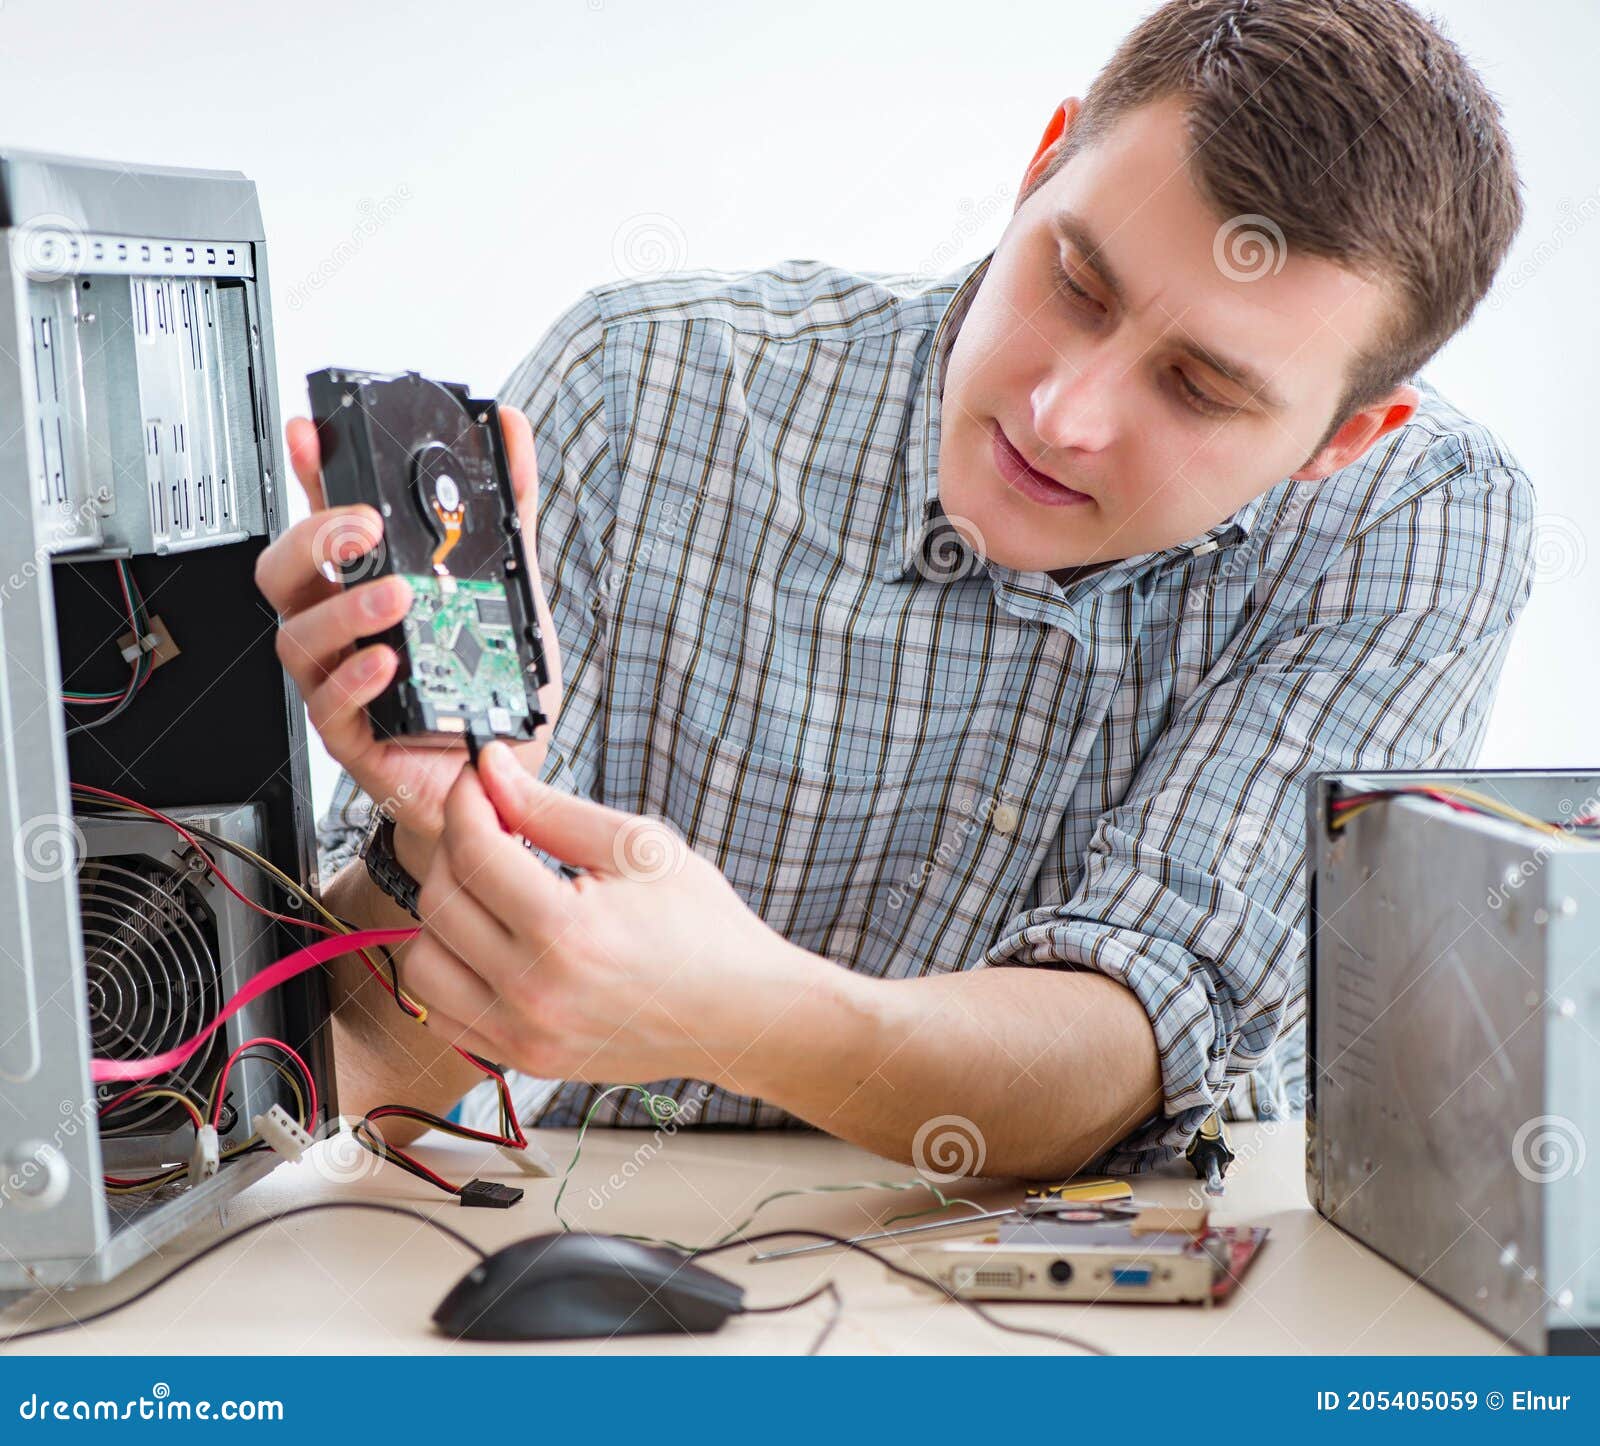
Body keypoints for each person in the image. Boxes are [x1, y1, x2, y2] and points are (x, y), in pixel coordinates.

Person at [257, 0, 1532, 1179]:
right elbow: (349, 1079)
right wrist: (433, 843)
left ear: (1338, 443)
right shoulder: (642, 389)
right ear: (1039, 169)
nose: (1060, 412)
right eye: (1074, 284)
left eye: (1198, 389)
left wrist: (740, 1015)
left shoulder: (1415, 519)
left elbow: (1130, 1042)